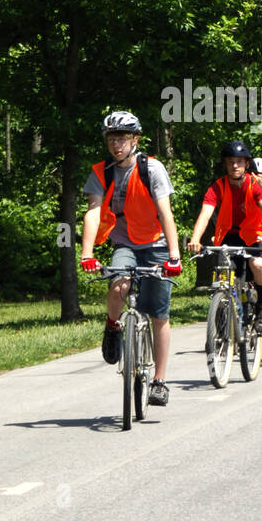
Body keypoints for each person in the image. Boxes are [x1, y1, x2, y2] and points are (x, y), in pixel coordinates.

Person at [80, 111, 182, 407]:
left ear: (135, 140)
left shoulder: (152, 169)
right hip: (124, 243)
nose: (117, 145)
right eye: (112, 139)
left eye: (122, 138)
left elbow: (165, 212)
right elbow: (94, 211)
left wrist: (174, 255)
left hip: (157, 245)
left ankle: (160, 381)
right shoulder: (102, 171)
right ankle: (113, 326)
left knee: (159, 315)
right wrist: (87, 253)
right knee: (118, 287)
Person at [188, 139, 262, 331]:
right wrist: (195, 238)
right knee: (222, 275)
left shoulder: (255, 185)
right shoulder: (218, 186)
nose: (235, 166)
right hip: (229, 235)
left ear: (246, 164)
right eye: (230, 162)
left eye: (239, 162)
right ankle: (222, 316)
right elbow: (205, 214)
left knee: (258, 264)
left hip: (255, 235)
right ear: (225, 164)